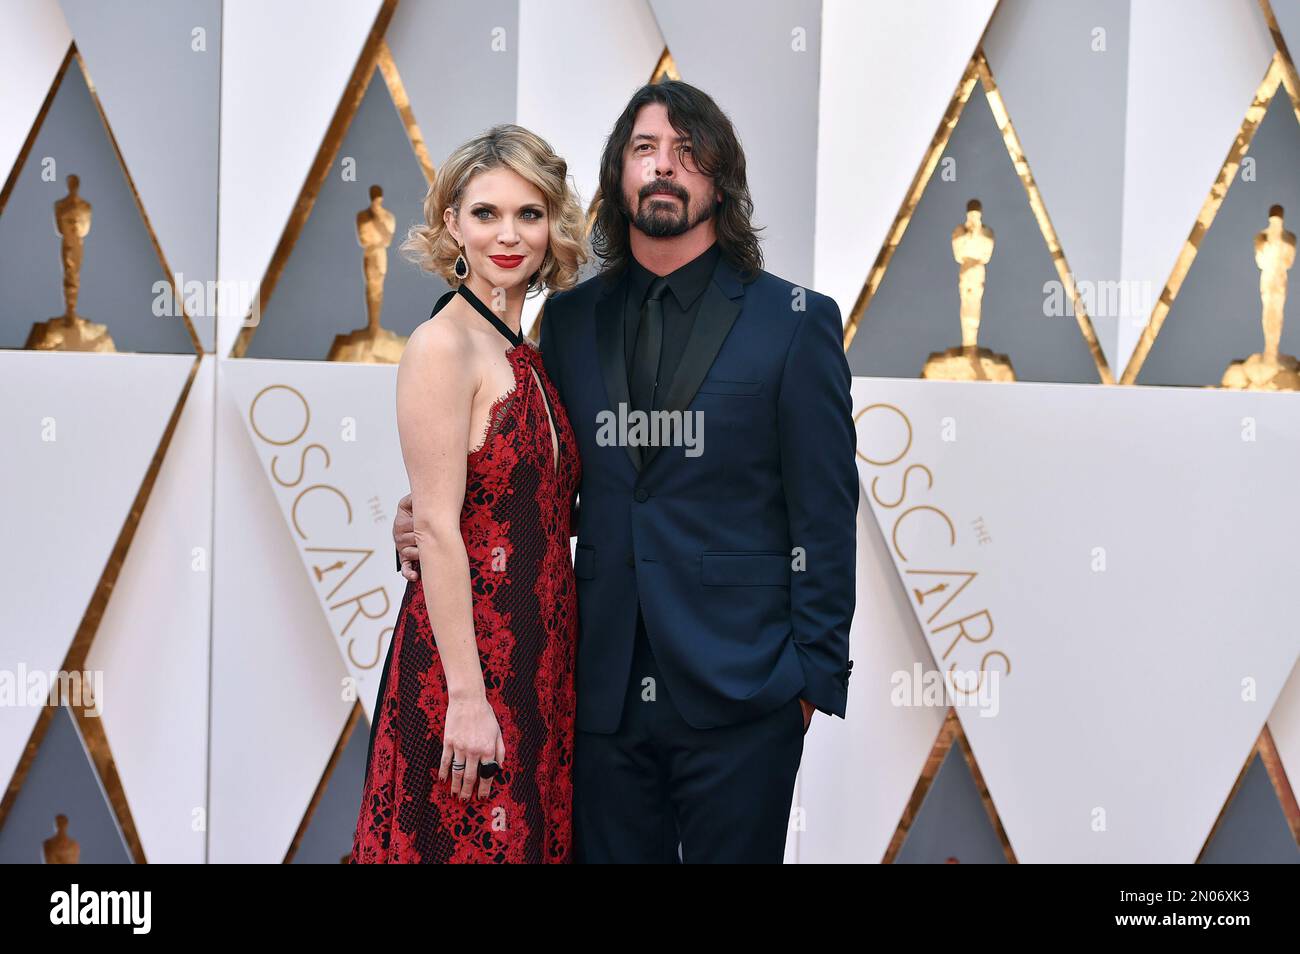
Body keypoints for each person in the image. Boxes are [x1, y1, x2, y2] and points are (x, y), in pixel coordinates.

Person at [394, 81, 857, 863]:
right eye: (645, 150)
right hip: (590, 691)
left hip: (744, 692)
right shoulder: (567, 322)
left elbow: (826, 510)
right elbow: (538, 477)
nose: (665, 168)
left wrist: (809, 682)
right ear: (618, 175)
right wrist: (431, 516)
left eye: (689, 153)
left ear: (722, 180)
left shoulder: (795, 322)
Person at [351, 124, 587, 863]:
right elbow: (445, 531)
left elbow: (526, 509)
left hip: (540, 669)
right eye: (485, 213)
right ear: (452, 222)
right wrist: (465, 698)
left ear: (553, 225)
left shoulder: (528, 352)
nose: (508, 235)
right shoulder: (442, 346)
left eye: (529, 213)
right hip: (467, 672)